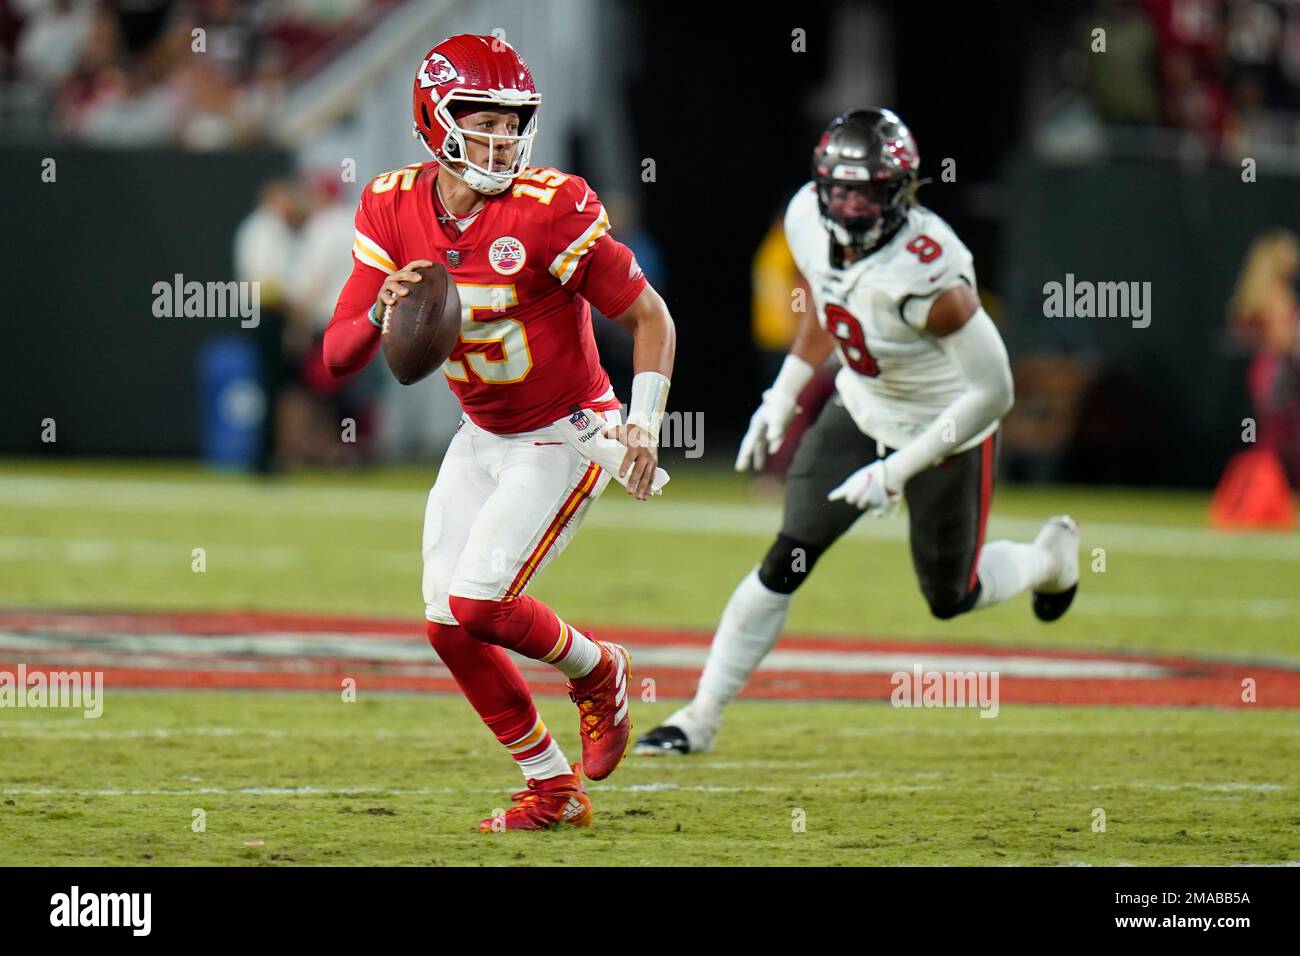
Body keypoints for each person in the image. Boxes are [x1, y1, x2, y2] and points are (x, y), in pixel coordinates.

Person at [635, 109, 1077, 757]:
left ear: (900, 190)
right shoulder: (806, 222)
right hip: (861, 409)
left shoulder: (934, 275)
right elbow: (828, 302)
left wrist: (899, 470)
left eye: (865, 190)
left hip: (946, 431)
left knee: (952, 597)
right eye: (837, 189)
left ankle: (1050, 560)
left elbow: (995, 394)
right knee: (786, 559)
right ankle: (699, 717)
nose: (847, 204)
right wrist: (782, 396)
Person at [323, 35, 676, 828]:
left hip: (569, 429)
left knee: (479, 604)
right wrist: (384, 305)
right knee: (448, 627)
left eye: (514, 123)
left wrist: (647, 425)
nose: (502, 140)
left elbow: (650, 316)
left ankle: (598, 671)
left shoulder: (552, 208)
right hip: (481, 433)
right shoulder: (390, 202)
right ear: (433, 119)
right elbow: (338, 351)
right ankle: (553, 791)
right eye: (481, 121)